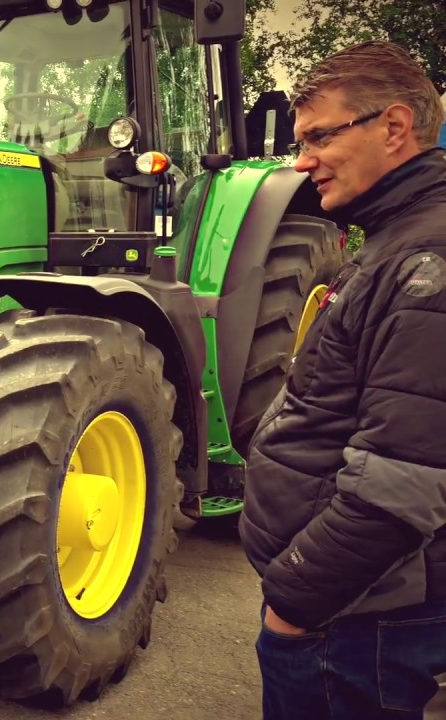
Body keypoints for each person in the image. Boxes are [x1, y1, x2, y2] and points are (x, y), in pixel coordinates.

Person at [239, 40, 446, 719]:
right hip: (350, 612)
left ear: (393, 128)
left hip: (356, 622)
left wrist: (295, 605)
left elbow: (401, 485)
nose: (301, 161)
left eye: (320, 137)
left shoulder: (426, 263)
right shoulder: (395, 244)